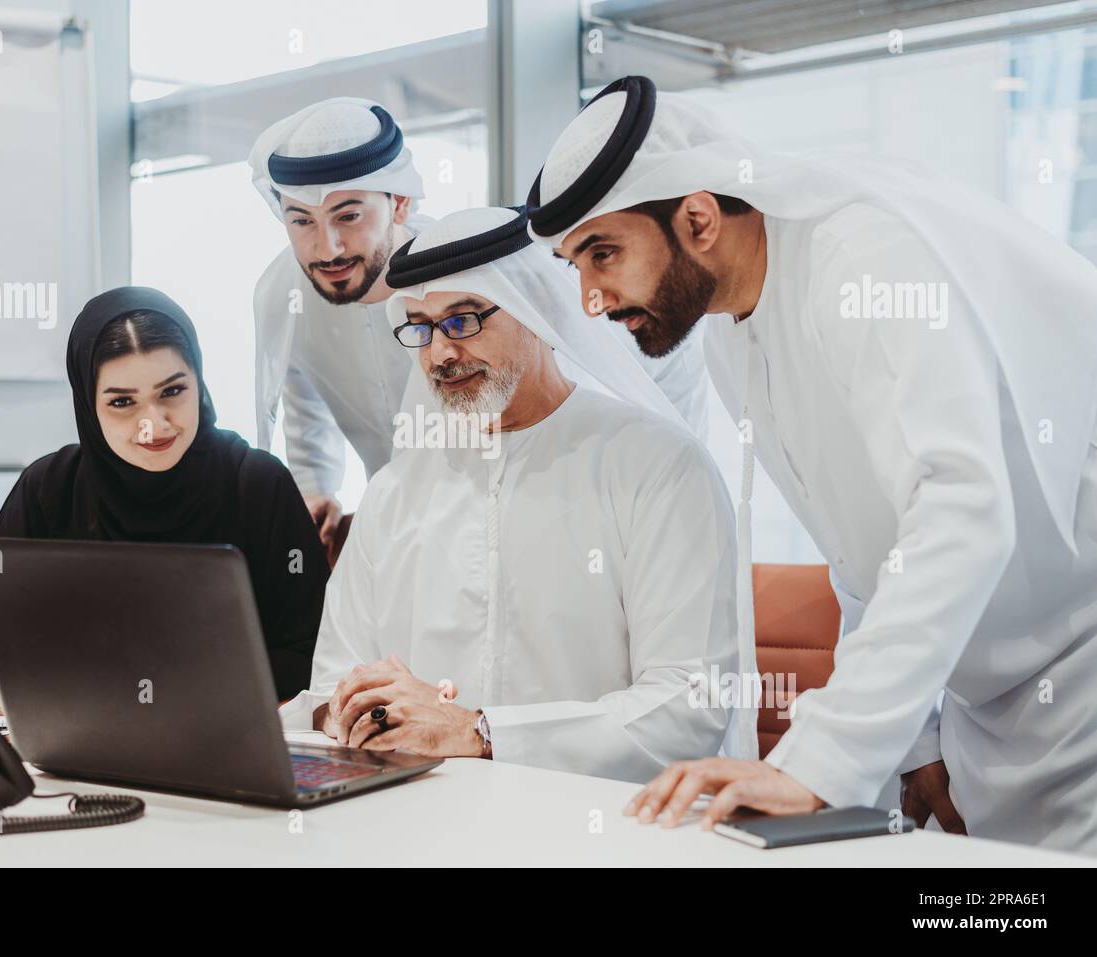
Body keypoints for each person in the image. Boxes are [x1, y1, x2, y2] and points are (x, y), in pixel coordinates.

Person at [529, 75, 1097, 852]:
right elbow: (862, 545)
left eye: (603, 254)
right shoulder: (733, 330)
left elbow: (963, 507)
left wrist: (822, 762)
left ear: (698, 217)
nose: (591, 297)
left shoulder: (863, 259)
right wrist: (917, 738)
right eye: (576, 269)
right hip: (985, 709)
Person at [277, 207, 756, 782]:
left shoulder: (658, 468)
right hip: (420, 823)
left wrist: (479, 734)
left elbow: (686, 705)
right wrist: (359, 713)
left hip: (603, 830)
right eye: (422, 328)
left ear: (535, 311)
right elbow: (336, 685)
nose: (439, 355)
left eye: (463, 321)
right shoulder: (394, 494)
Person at [248, 97, 709, 549]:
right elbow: (301, 395)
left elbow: (626, 375)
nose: (327, 248)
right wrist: (314, 485)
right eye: (302, 221)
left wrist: (662, 495)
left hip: (550, 518)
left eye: (349, 216)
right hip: (400, 534)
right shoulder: (283, 294)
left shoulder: (478, 276)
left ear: (400, 203)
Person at [0, 287, 329, 706]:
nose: (152, 425)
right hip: (75, 747)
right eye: (123, 402)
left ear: (199, 382)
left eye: (172, 392)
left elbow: (315, 655)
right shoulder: (51, 488)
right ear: (88, 405)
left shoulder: (257, 484)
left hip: (225, 747)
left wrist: (180, 689)